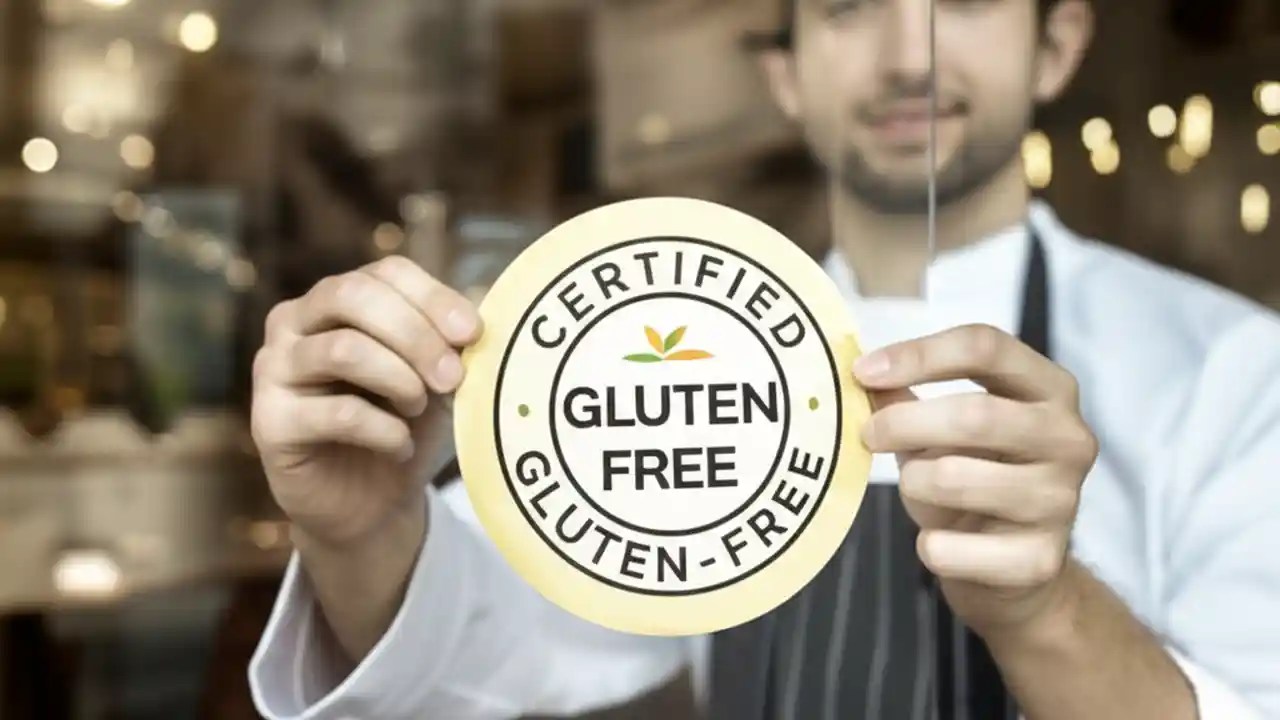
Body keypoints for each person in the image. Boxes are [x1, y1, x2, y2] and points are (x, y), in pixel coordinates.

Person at [246, 0, 1280, 717]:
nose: (905, 58)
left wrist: (1044, 607)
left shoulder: (1230, 370)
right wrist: (363, 530)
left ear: (1055, 46)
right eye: (843, 9)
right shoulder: (674, 343)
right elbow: (491, 634)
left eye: (961, 3)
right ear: (784, 76)